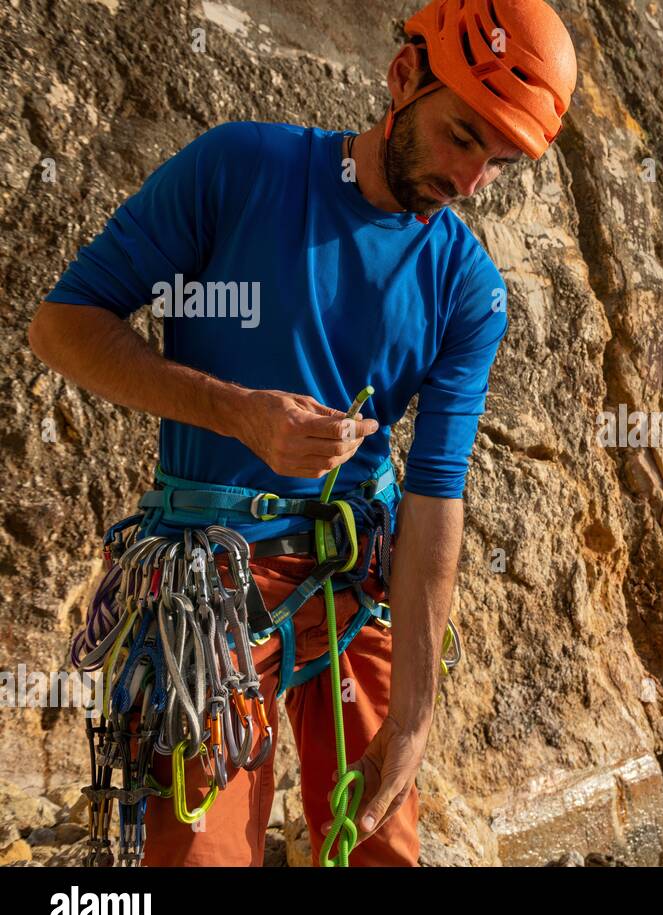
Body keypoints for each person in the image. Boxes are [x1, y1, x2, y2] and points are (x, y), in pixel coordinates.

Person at [26, 0, 578, 866]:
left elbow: (438, 493)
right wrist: (238, 413)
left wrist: (413, 722)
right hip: (205, 591)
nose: (470, 181)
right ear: (403, 80)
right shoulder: (242, 167)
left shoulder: (467, 287)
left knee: (380, 850)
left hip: (353, 586)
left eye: (498, 162)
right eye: (461, 137)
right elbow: (61, 327)